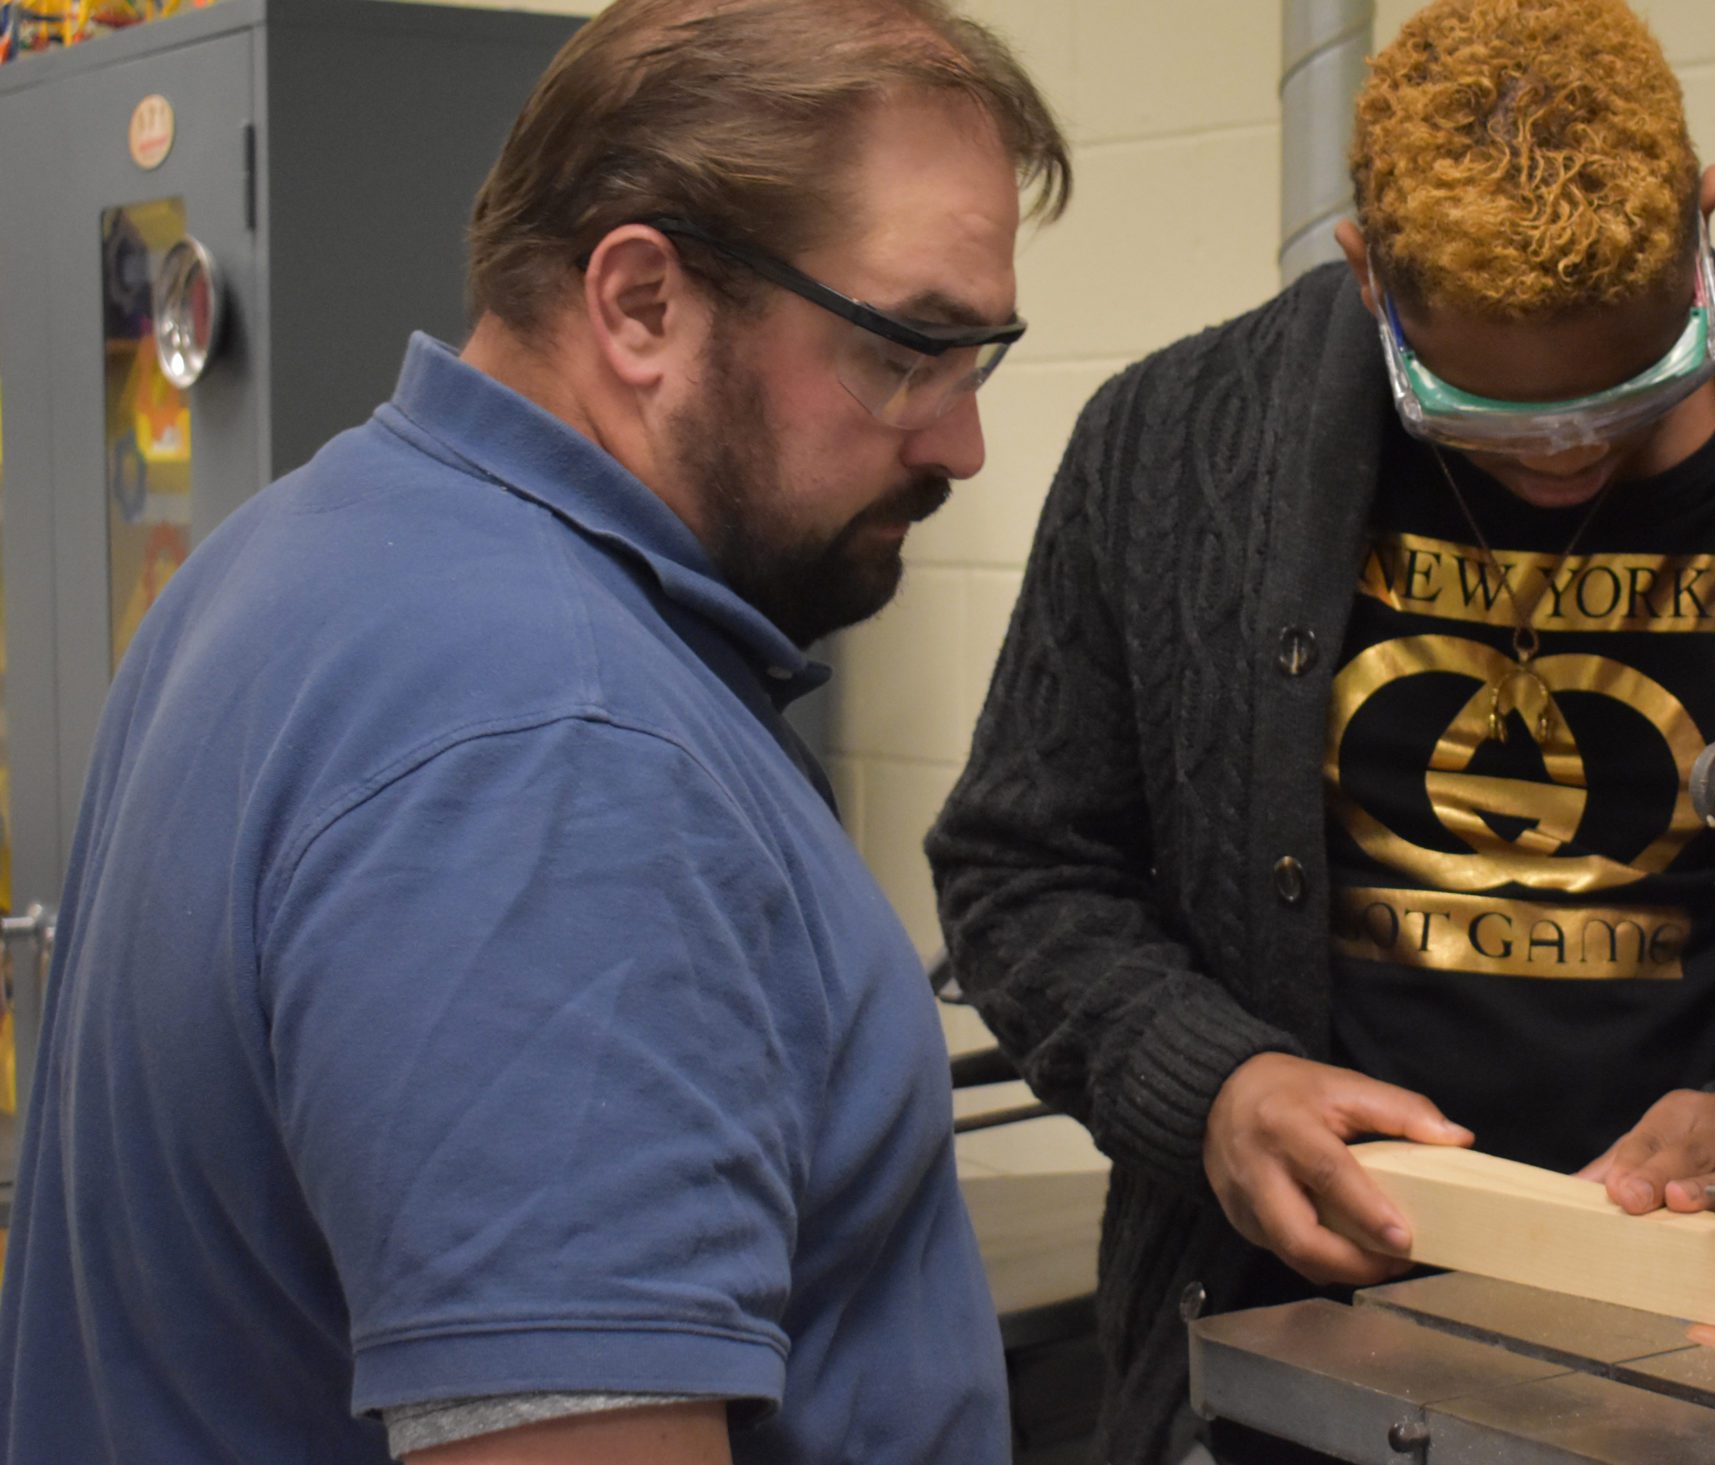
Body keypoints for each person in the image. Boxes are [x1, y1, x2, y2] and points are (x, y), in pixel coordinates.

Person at [928, 1, 1715, 1461]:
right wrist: (1211, 1084)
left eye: (1629, 393)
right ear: (1367, 272)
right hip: (1274, 1378)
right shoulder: (1172, 448)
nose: (1567, 460)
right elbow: (1022, 870)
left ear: (1703, 215)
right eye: (1489, 418)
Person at [0, 2, 1067, 1461]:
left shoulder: (296, 549)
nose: (959, 441)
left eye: (975, 359)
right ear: (641, 304)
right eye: (910, 350)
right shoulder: (558, 747)